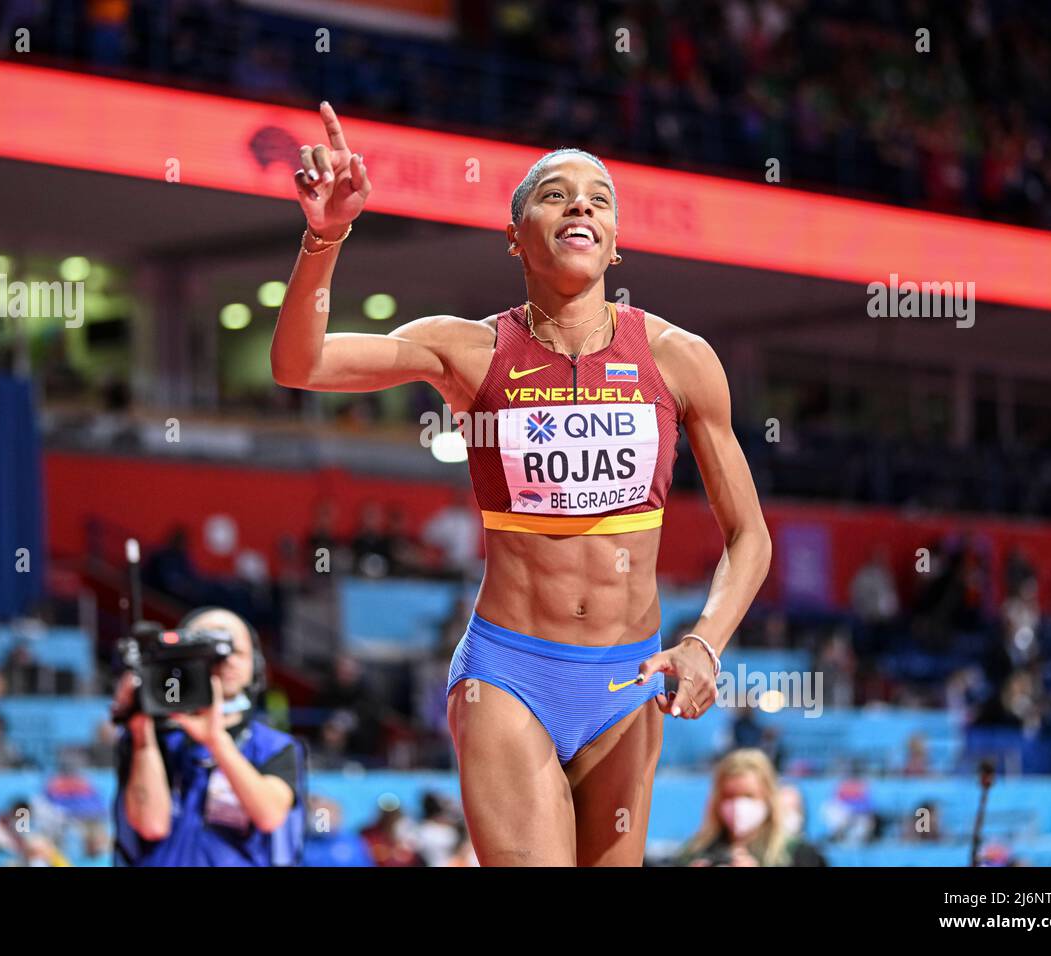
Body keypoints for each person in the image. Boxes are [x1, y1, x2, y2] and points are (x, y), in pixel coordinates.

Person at [272, 103, 771, 865]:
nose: (580, 204)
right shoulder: (466, 351)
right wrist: (325, 236)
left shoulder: (680, 358)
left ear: (614, 245)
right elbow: (299, 365)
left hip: (627, 679)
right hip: (511, 675)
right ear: (515, 238)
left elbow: (749, 535)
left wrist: (705, 643)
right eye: (555, 193)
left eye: (599, 198)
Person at [113, 607, 306, 866]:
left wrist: (216, 741)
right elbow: (151, 826)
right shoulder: (152, 738)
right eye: (209, 652)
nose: (225, 662)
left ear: (255, 665)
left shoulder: (275, 747)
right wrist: (142, 731)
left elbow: (269, 815)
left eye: (235, 652)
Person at [677, 749, 820, 867]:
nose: (738, 805)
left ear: (768, 797)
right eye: (729, 796)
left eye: (749, 796)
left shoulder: (799, 855)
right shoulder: (694, 852)